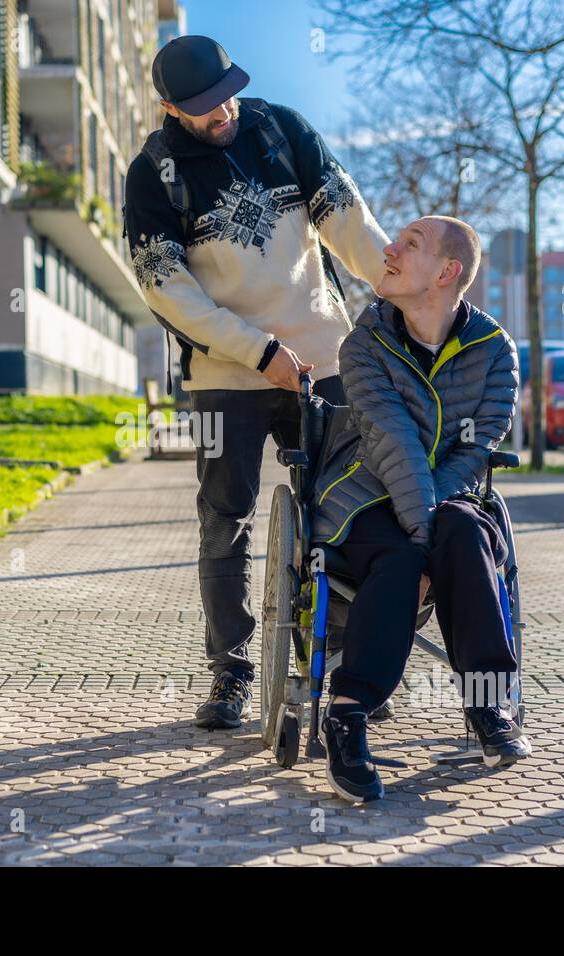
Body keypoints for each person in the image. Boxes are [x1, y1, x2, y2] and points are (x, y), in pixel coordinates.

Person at [123, 35, 390, 729]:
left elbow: (351, 226)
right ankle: (232, 673)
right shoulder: (153, 175)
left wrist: (401, 284)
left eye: (226, 96)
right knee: (224, 522)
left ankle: (345, 669)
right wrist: (255, 349)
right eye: (204, 109)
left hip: (324, 361)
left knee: (351, 508)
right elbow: (167, 291)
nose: (222, 114)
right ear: (170, 109)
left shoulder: (283, 129)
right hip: (224, 372)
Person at [311, 215, 531, 803]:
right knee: (402, 554)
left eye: (409, 244)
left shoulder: (495, 352)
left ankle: (488, 706)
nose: (389, 249)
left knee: (465, 532)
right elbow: (390, 442)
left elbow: (477, 446)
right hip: (365, 495)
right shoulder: (363, 345)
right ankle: (349, 714)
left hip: (454, 495)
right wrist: (421, 533)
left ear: (446, 272)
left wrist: (434, 524)